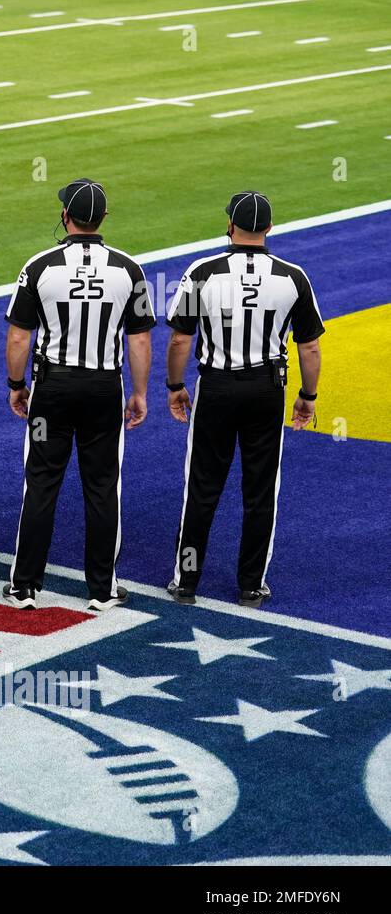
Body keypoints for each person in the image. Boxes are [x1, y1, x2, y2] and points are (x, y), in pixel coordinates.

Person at [166, 191, 323, 608]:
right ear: (269, 228)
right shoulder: (293, 276)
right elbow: (309, 348)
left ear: (230, 226)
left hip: (216, 386)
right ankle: (250, 584)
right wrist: (308, 395)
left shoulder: (203, 271)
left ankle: (186, 580)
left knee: (202, 486)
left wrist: (174, 385)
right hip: (265, 390)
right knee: (260, 489)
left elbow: (181, 337)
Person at [4, 178, 153, 611]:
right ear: (103, 218)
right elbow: (140, 342)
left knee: (42, 483)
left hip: (53, 387)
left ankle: (26, 584)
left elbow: (18, 338)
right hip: (104, 388)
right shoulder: (128, 269)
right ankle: (101, 587)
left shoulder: (40, 265)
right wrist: (139, 392)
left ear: (65, 216)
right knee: (102, 486)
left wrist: (17, 386)